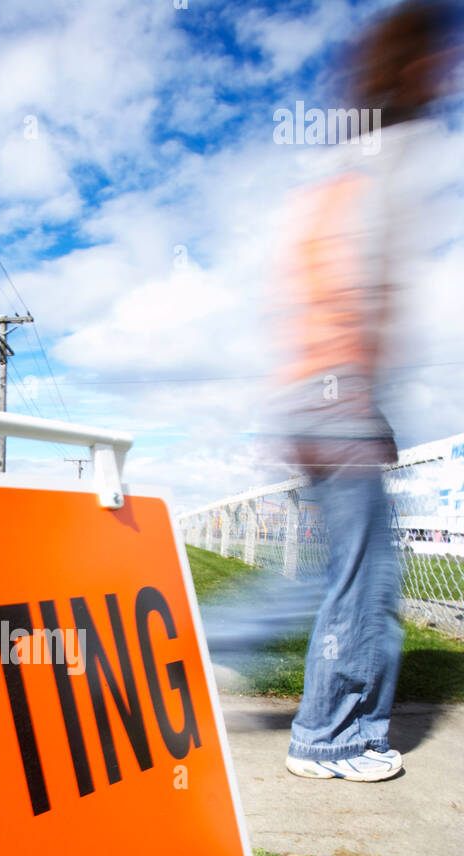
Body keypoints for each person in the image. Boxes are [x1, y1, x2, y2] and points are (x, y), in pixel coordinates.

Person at [207, 1, 460, 782]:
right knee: (368, 580)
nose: (448, 76)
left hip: (317, 398)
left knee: (335, 576)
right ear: (413, 70)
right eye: (438, 62)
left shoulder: (341, 175)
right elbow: (355, 297)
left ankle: (183, 645)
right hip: (339, 399)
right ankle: (334, 739)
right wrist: (357, 399)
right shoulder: (381, 168)